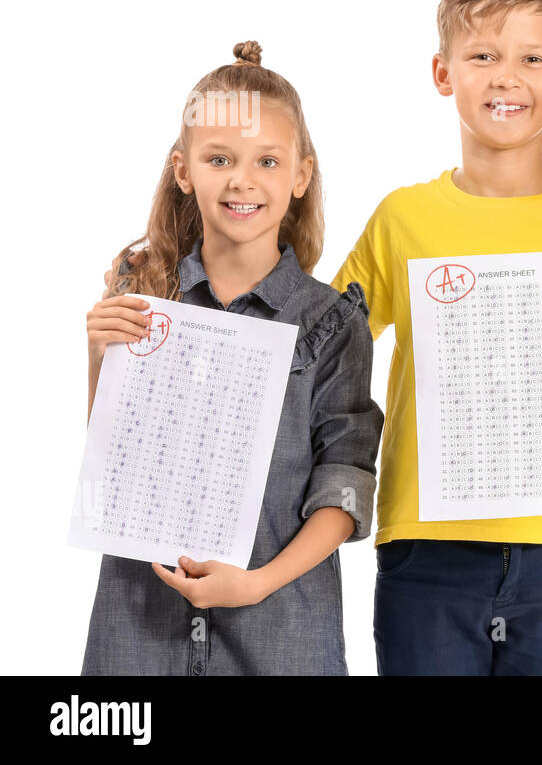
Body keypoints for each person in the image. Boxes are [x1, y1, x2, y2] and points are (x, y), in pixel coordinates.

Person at [328, 0, 542, 674]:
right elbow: (327, 350)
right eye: (482, 55)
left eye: (531, 59)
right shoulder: (402, 218)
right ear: (442, 73)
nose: (505, 77)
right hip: (426, 543)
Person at [82, 41, 382, 675]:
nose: (242, 180)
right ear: (184, 170)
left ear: (300, 174)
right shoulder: (145, 294)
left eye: (267, 161)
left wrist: (257, 582)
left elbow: (346, 481)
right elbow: (115, 461)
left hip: (279, 626)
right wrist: (99, 356)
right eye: (219, 159)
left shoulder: (333, 323)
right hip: (142, 623)